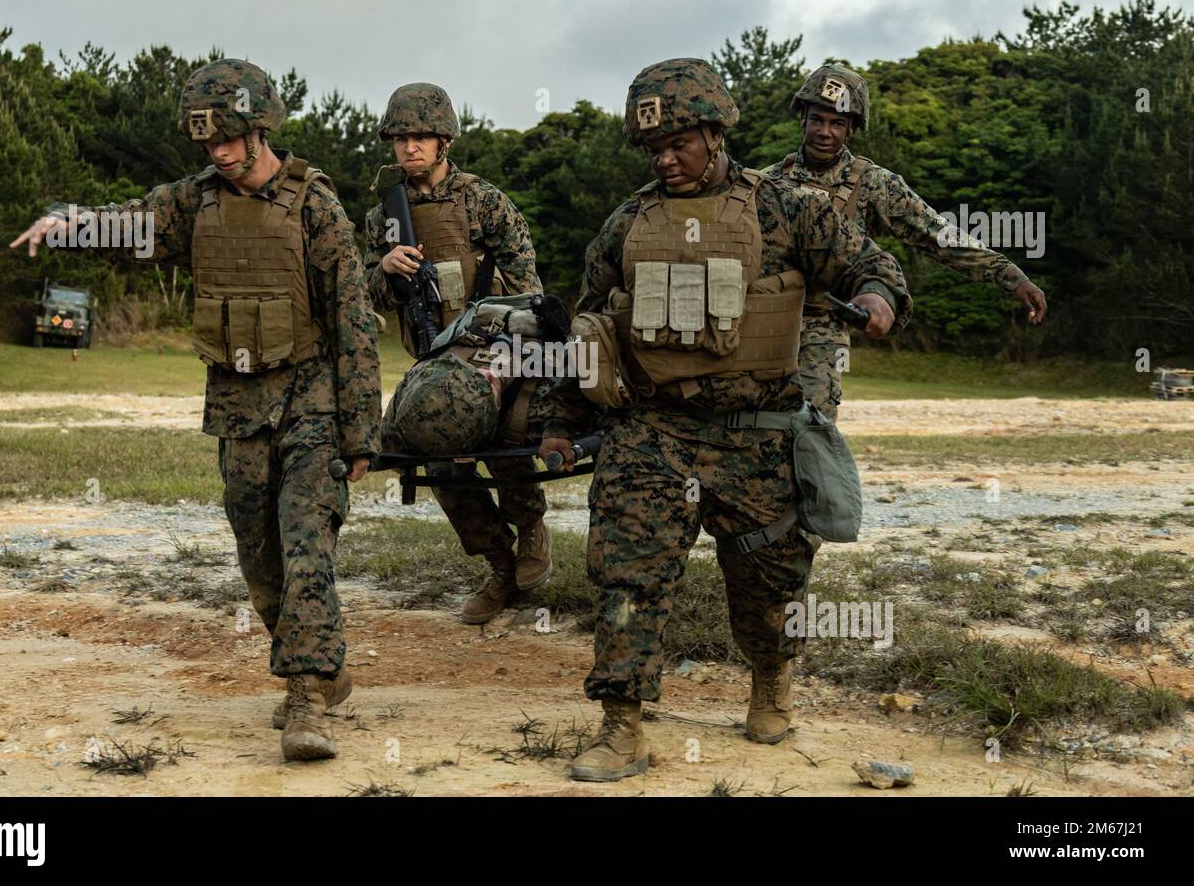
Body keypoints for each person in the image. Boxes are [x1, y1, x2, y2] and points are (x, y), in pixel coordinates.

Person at [538, 58, 912, 782]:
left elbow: (871, 265)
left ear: (714, 133)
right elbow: (586, 326)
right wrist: (560, 421)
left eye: (678, 144)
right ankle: (622, 726)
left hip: (757, 433)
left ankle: (771, 674)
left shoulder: (786, 210)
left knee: (768, 587)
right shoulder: (628, 224)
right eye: (653, 150)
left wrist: (877, 300)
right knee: (628, 574)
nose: (664, 160)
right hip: (654, 431)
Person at [11, 59, 380, 763]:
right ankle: (322, 667)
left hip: (310, 399)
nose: (219, 152)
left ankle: (305, 697)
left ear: (260, 127)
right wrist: (67, 224)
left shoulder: (314, 205)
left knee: (307, 549)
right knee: (258, 554)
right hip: (237, 405)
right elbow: (125, 228)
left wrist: (361, 428)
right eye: (207, 142)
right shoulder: (193, 202)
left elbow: (355, 320)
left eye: (231, 139)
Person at [363, 83, 551, 624]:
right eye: (399, 138)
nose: (409, 147)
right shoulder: (385, 219)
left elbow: (526, 284)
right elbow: (362, 298)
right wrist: (385, 270)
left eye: (420, 136)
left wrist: (510, 354)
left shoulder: (482, 201)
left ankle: (531, 527)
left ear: (444, 139)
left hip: (494, 345)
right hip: (431, 357)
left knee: (502, 437)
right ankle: (499, 565)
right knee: (433, 445)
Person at [763, 63, 1047, 421]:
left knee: (812, 432)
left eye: (836, 123)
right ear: (802, 118)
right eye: (817, 120)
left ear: (851, 129)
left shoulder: (874, 184)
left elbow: (940, 235)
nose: (824, 132)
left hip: (822, 328)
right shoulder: (768, 183)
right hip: (765, 320)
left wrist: (1010, 276)